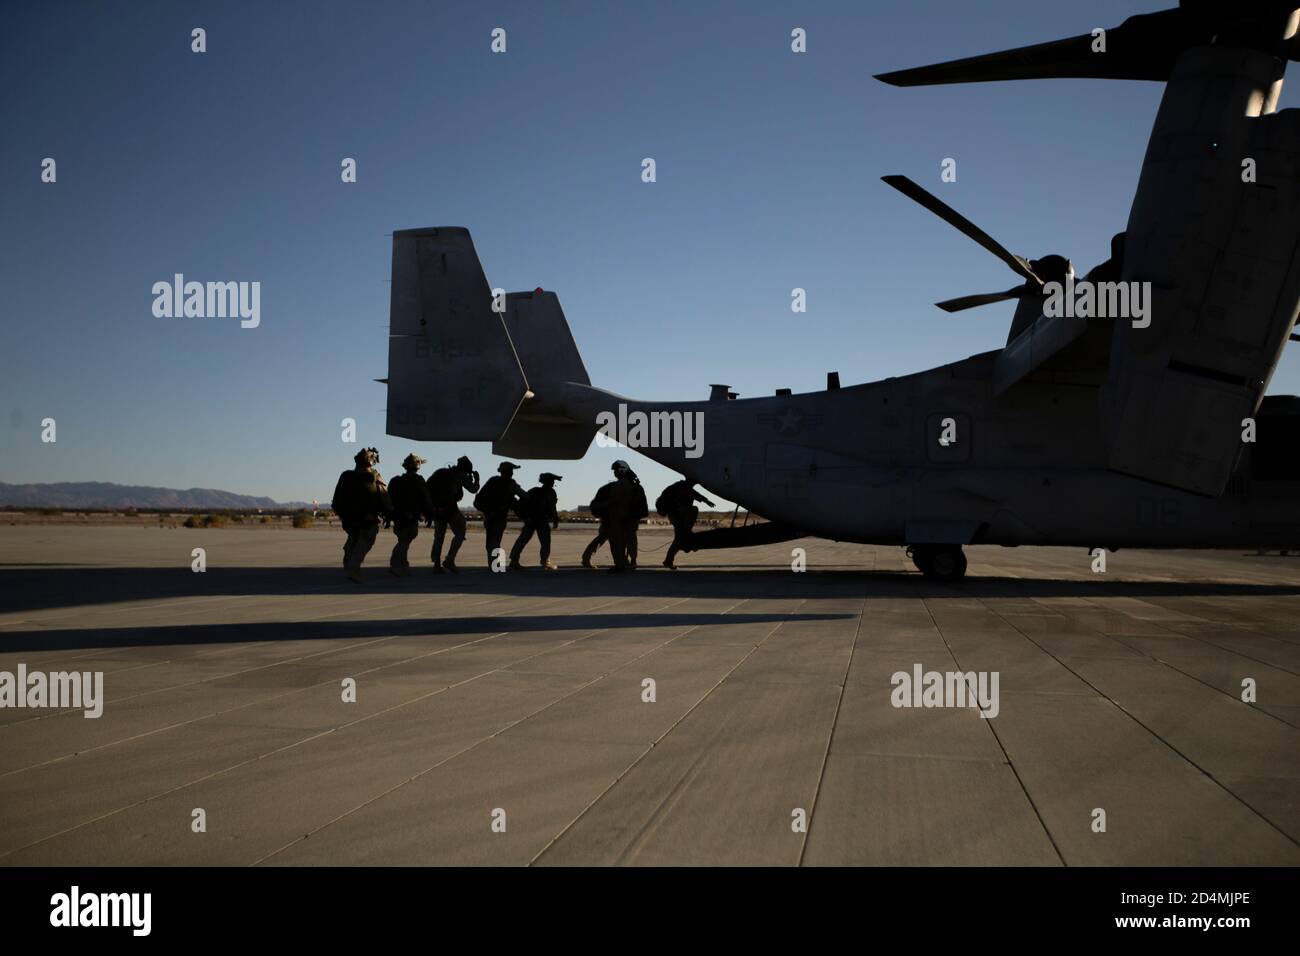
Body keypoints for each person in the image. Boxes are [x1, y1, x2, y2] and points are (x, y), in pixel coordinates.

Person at [331, 447, 392, 584]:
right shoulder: (374, 476)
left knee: (353, 537)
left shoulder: (346, 475)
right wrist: (389, 514)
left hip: (348, 518)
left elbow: (336, 498)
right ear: (371, 461)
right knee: (365, 541)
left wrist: (342, 514)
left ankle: (348, 560)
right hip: (367, 518)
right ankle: (354, 568)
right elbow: (384, 497)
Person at [426, 455, 479, 574]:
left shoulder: (440, 472)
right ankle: (450, 559)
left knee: (439, 537)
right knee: (460, 532)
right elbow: (473, 489)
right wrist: (476, 479)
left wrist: (431, 509)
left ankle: (436, 564)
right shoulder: (459, 476)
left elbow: (427, 487)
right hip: (450, 509)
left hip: (437, 509)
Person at [583, 460, 636, 572]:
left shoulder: (617, 485)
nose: (615, 473)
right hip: (617, 519)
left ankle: (587, 558)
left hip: (612, 518)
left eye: (616, 470)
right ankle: (621, 564)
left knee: (603, 538)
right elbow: (617, 501)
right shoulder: (624, 484)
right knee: (618, 541)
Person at [387, 453, 433, 577]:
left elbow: (389, 499)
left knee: (403, 539)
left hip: (398, 516)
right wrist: (429, 513)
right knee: (405, 541)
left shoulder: (396, 481)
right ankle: (396, 564)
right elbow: (426, 499)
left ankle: (403, 564)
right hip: (410, 516)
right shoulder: (418, 480)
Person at [474, 462, 526, 568]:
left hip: (489, 516)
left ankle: (493, 564)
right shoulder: (510, 484)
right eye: (511, 471)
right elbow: (523, 495)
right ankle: (495, 565)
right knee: (495, 541)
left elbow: (479, 498)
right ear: (508, 472)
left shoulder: (492, 481)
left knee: (490, 541)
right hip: (499, 517)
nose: (512, 473)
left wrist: (488, 511)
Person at [657, 479, 715, 569]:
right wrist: (705, 500)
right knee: (693, 510)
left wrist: (705, 500)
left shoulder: (680, 486)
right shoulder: (683, 487)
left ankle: (668, 561)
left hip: (675, 515)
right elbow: (693, 494)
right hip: (676, 515)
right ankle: (687, 533)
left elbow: (692, 493)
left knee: (678, 539)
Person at [509, 473, 562, 570]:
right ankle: (545, 562)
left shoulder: (535, 491)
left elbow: (522, 503)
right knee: (545, 542)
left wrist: (526, 517)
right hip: (540, 520)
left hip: (531, 520)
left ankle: (514, 560)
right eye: (552, 481)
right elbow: (552, 507)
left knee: (523, 540)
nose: (553, 482)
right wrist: (555, 519)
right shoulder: (549, 493)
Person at [622, 467, 650, 569]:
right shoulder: (637, 487)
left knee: (626, 540)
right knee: (630, 539)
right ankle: (631, 560)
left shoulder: (632, 488)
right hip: (632, 518)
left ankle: (629, 560)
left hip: (629, 517)